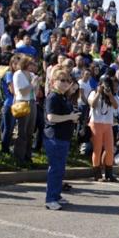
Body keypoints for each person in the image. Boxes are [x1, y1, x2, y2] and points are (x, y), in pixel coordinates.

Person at [43, 68, 80, 210]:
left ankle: (56, 195)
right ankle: (50, 198)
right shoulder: (53, 97)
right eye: (62, 80)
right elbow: (51, 117)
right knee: (56, 168)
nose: (65, 83)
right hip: (54, 137)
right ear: (53, 82)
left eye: (67, 81)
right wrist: (70, 117)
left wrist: (72, 117)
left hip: (63, 137)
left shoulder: (63, 97)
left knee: (60, 169)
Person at [88, 78, 118, 181]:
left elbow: (116, 106)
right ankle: (97, 174)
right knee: (97, 149)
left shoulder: (111, 95)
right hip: (96, 123)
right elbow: (92, 104)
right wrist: (99, 93)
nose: (106, 87)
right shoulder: (93, 93)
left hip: (108, 124)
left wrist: (109, 95)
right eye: (104, 85)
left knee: (109, 149)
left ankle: (109, 173)